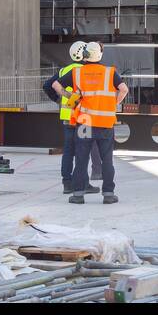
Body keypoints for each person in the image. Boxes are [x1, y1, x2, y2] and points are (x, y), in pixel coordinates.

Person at [63, 41, 127, 204]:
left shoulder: (77, 72)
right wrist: (114, 103)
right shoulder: (110, 73)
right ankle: (108, 194)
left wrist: (71, 102)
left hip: (84, 122)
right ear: (99, 54)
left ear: (84, 55)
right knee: (107, 159)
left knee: (81, 157)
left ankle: (78, 194)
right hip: (105, 122)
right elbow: (124, 90)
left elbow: (59, 86)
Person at [48, 40, 102, 195]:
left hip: (67, 117)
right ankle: (83, 183)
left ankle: (67, 183)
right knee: (82, 151)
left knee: (68, 152)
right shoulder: (84, 71)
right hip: (82, 118)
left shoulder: (65, 70)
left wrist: (61, 98)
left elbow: (48, 86)